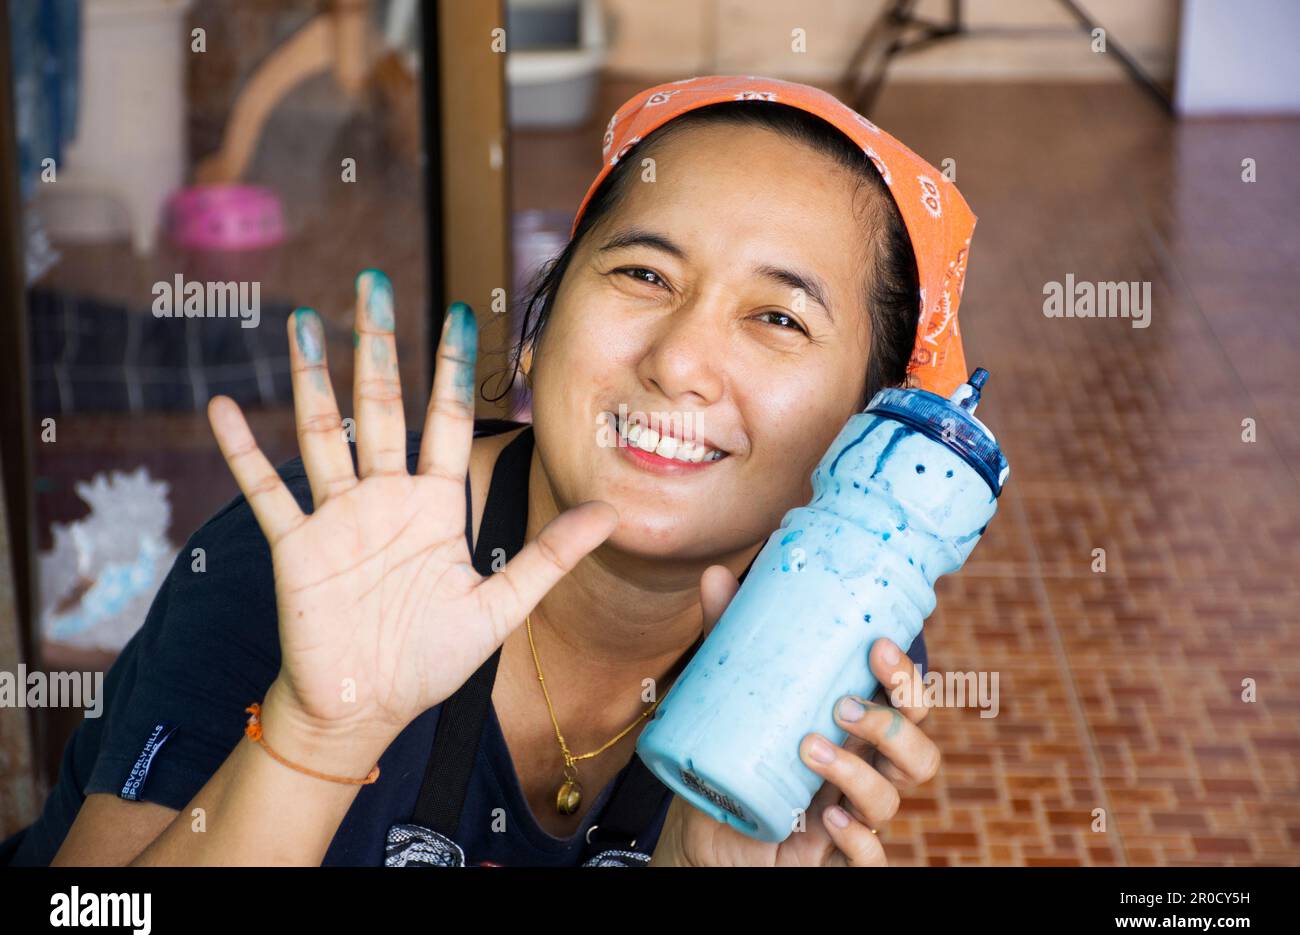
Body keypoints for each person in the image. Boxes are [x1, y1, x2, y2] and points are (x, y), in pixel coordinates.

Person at [5, 74, 977, 867]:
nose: (679, 359)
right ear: (544, 322)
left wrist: (701, 862)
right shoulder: (316, 557)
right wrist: (309, 739)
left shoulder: (833, 653)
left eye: (778, 317)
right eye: (642, 272)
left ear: (865, 430)